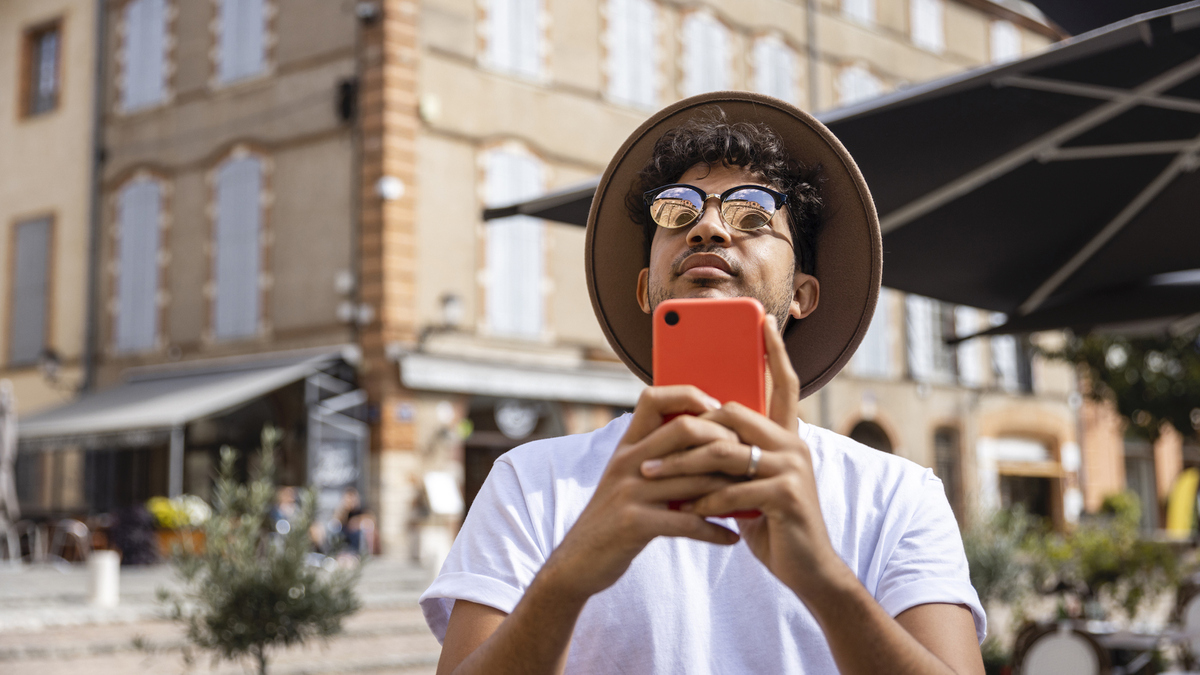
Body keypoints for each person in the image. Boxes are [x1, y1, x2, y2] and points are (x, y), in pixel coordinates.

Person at [420, 92, 986, 674]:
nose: (707, 227)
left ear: (801, 294)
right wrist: (569, 578)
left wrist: (825, 579)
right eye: (676, 212)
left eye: (753, 214)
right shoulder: (532, 483)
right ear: (645, 290)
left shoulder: (896, 497)